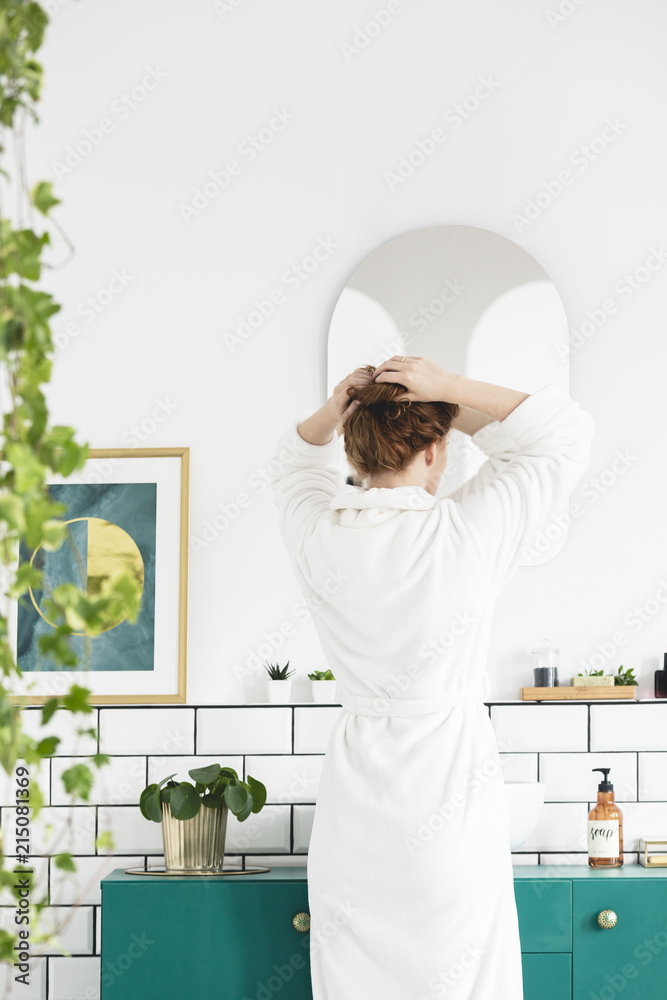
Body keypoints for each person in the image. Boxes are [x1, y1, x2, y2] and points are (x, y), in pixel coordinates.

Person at [269, 356, 595, 1000]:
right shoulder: (465, 533)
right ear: (435, 452)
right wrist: (447, 391)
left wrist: (336, 407)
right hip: (450, 811)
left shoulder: (318, 535)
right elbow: (563, 433)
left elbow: (291, 463)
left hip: (353, 821)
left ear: (353, 446)